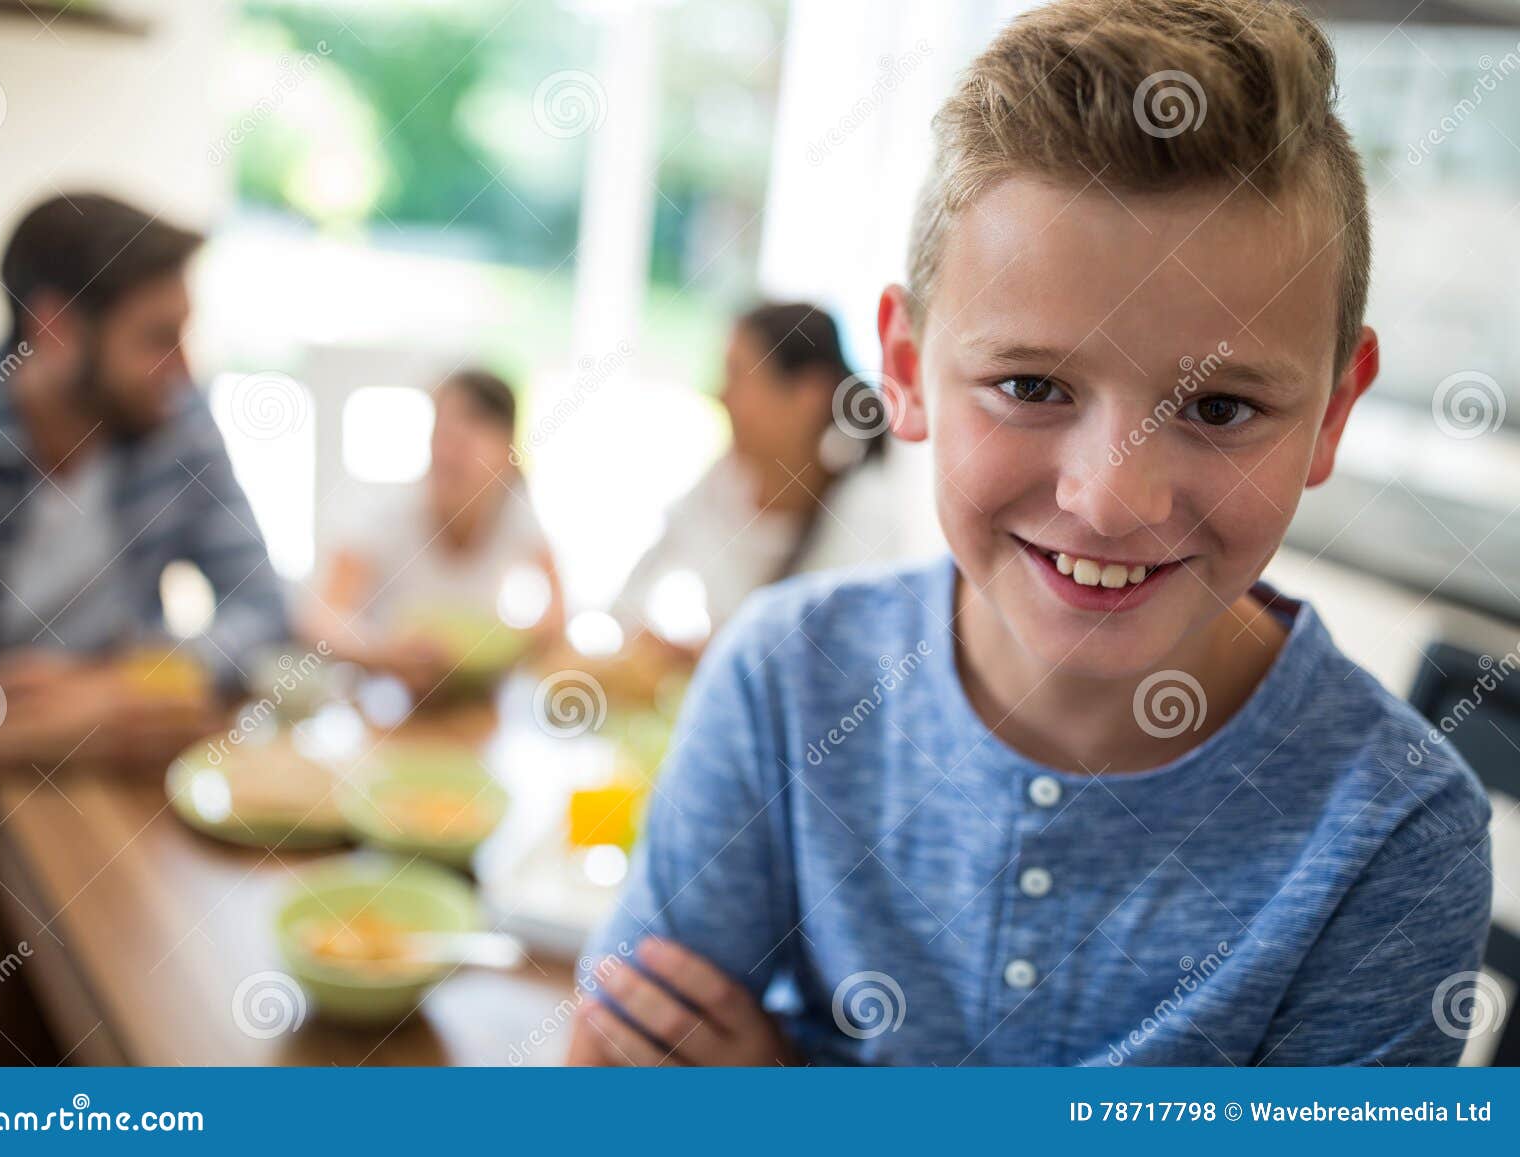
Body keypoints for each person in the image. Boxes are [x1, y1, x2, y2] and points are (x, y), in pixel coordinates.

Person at [571, 0, 1492, 1066]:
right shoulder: (784, 683)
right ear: (908, 374)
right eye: (1030, 384)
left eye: (1219, 407)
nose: (1111, 499)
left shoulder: (1394, 839)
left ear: (1331, 414)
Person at [0, 191, 283, 1049]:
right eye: (157, 338)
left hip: (115, 760)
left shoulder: (177, 427)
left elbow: (264, 607)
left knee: (155, 995)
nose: (184, 368)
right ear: (54, 330)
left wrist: (109, 685)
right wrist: (40, 727)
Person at [612, 303, 901, 642]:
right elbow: (626, 603)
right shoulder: (723, 482)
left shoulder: (865, 513)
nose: (720, 396)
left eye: (737, 375)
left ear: (809, 395)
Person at [305, 368, 564, 698]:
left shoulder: (515, 511)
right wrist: (381, 652)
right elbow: (321, 616)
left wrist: (501, 647)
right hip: (386, 697)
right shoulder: (386, 516)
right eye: (441, 433)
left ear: (506, 453)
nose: (446, 452)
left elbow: (557, 614)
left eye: (465, 438)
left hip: (473, 703)